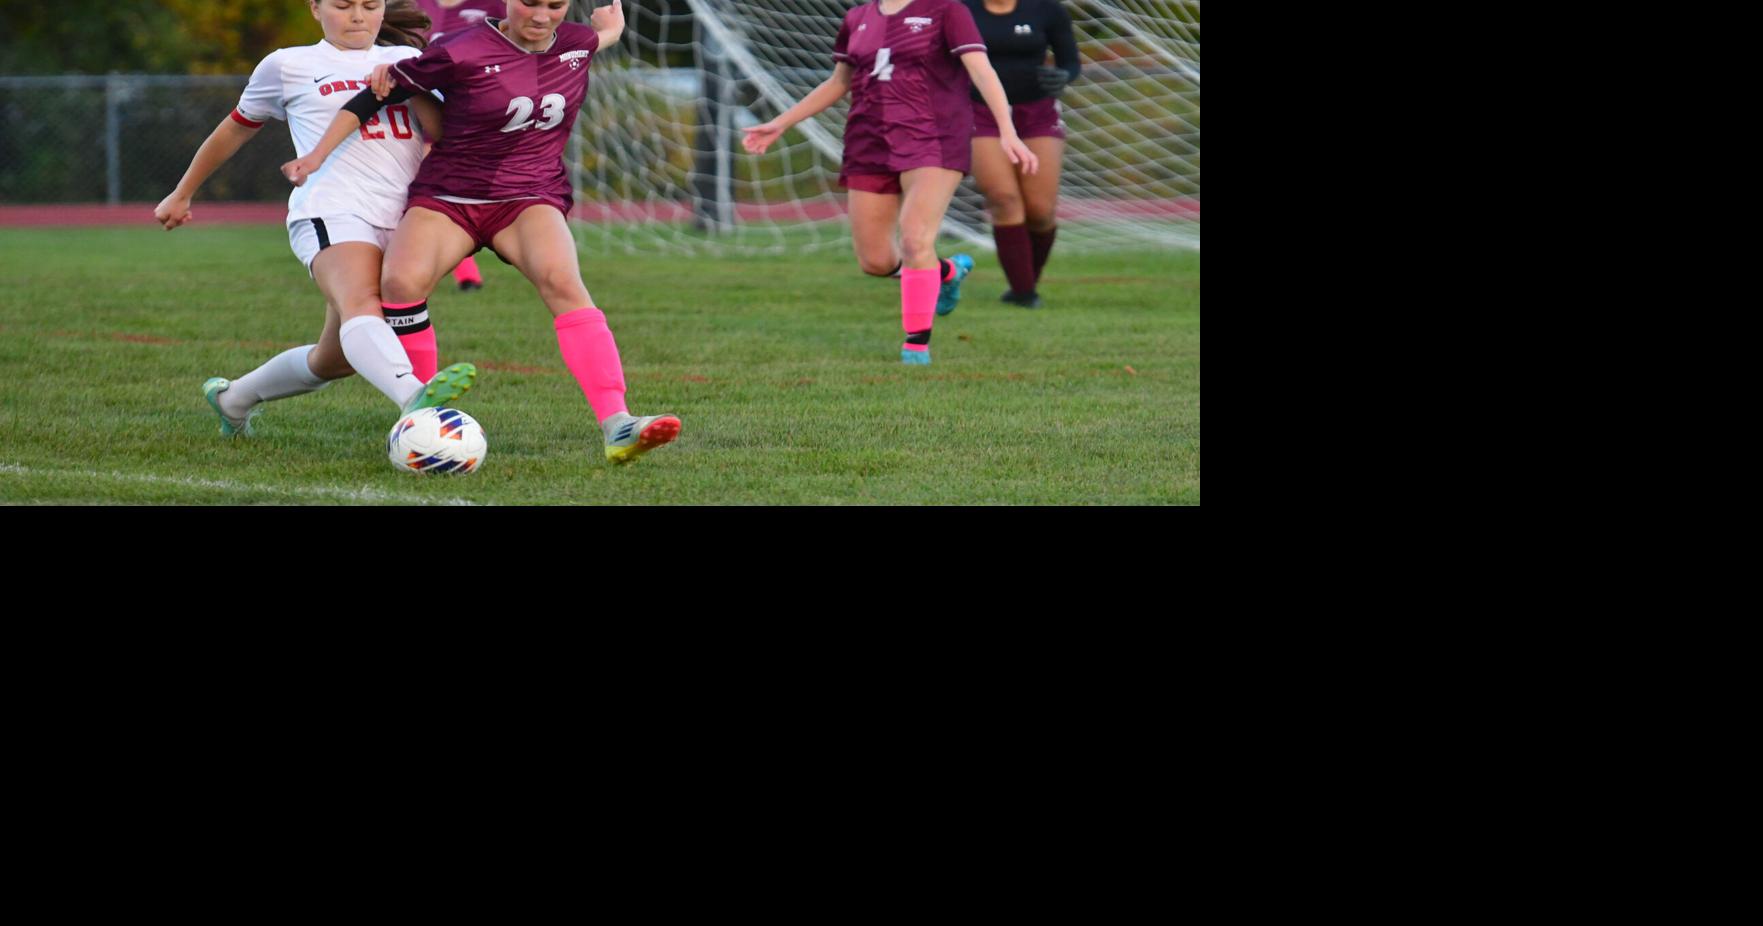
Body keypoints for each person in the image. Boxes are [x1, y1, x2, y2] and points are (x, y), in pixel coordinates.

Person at [284, 0, 681, 464]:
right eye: (530, 4)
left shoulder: (577, 43)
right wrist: (314, 157)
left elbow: (591, 39)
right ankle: (420, 420)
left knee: (563, 282)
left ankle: (619, 424)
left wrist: (609, 29)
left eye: (554, 6)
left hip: (528, 197)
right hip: (450, 197)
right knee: (399, 283)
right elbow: (377, 94)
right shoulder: (460, 49)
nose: (540, 16)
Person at [154, 0, 476, 438]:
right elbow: (234, 128)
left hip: (404, 219)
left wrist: (416, 86)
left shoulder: (406, 61)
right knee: (362, 301)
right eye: (343, 5)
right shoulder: (288, 64)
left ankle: (232, 400)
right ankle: (414, 399)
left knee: (335, 359)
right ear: (315, 8)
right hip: (330, 210)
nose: (358, 16)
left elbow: (440, 132)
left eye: (370, 5)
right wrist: (182, 191)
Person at [743, 0, 1039, 365]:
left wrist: (1007, 130)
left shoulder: (947, 10)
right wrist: (781, 123)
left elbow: (981, 70)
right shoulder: (857, 17)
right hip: (869, 141)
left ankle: (916, 346)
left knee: (915, 238)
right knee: (876, 261)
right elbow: (839, 82)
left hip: (934, 137)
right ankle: (945, 272)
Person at [962, 0, 1079, 308]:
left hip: (1037, 113)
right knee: (1003, 198)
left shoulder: (1047, 10)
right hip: (978, 111)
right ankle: (1024, 294)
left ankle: (1025, 283)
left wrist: (1064, 76)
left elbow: (1071, 62)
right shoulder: (960, 9)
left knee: (1040, 211)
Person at [414, 0, 508, 292]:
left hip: (484, 115)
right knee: (429, 190)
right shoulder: (415, 7)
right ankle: (463, 273)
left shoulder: (492, 5)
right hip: (434, 109)